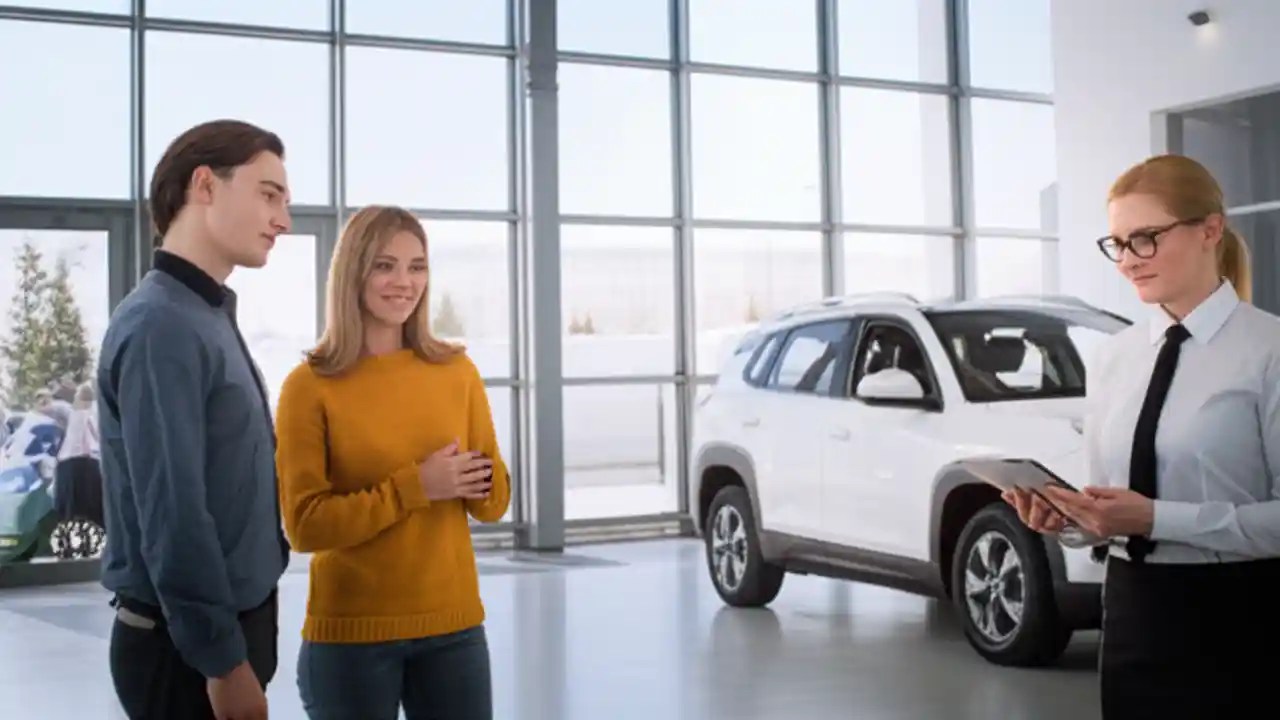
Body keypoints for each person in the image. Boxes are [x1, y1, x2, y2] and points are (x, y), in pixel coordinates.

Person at [1005, 154, 1280, 717]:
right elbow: (1109, 507)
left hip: (1245, 618)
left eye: (1145, 239)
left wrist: (1156, 518)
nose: (1128, 261)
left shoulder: (1270, 351)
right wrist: (1069, 522)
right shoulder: (1114, 357)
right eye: (1117, 244)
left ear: (1210, 230)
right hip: (1133, 614)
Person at [276, 205, 509, 720]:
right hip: (350, 640)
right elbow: (305, 526)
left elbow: (493, 505)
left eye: (417, 266)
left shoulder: (457, 371)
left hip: (454, 631)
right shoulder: (308, 387)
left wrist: (479, 482)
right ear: (353, 272)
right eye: (385, 265)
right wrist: (415, 487)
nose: (404, 282)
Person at [97, 119, 292, 720]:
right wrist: (223, 662)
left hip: (222, 636)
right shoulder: (163, 326)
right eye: (269, 194)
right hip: (188, 653)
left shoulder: (203, 315)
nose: (282, 218)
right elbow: (174, 514)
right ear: (204, 184)